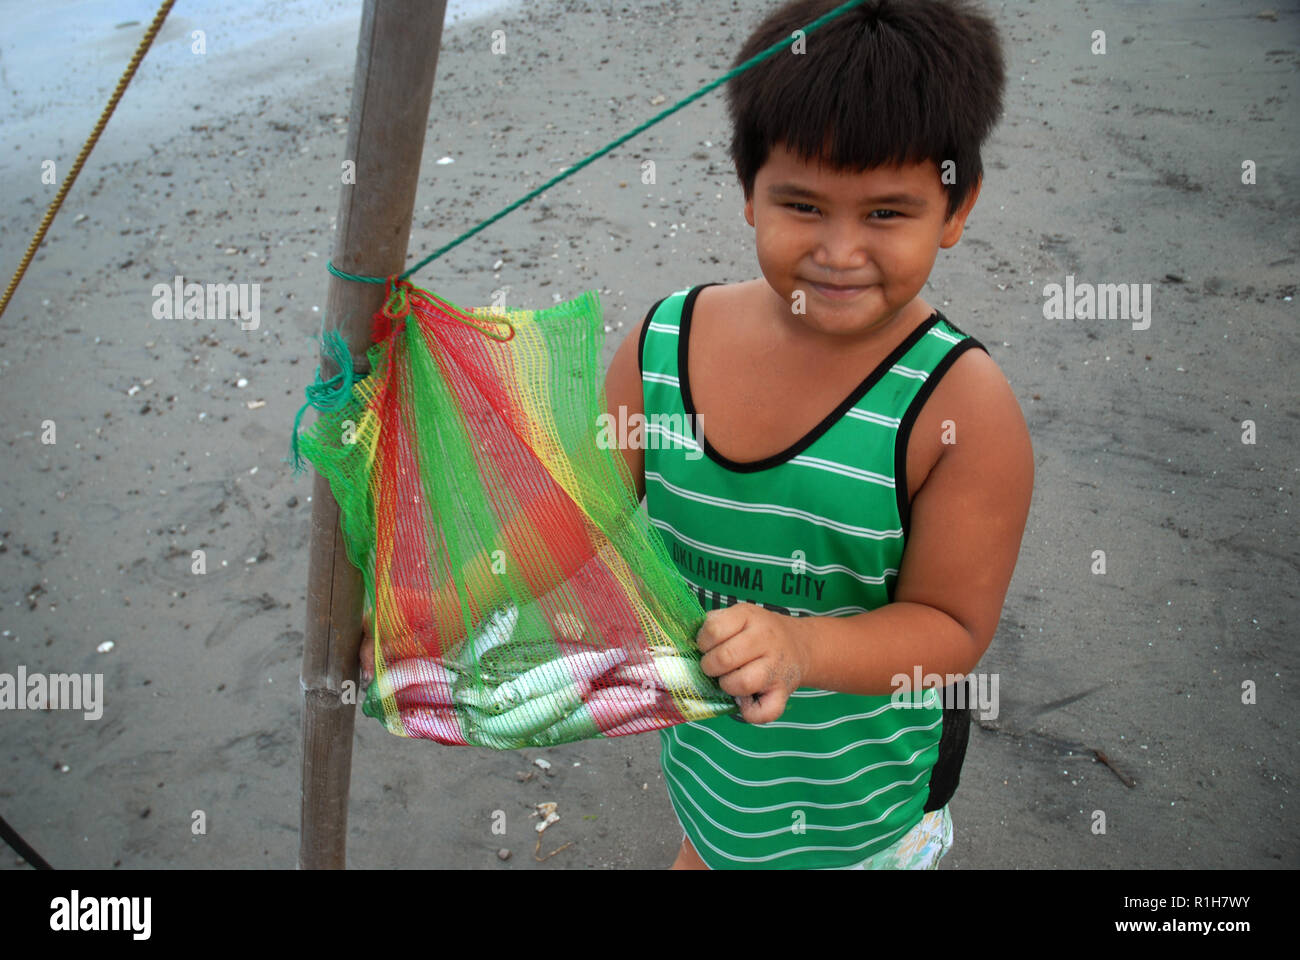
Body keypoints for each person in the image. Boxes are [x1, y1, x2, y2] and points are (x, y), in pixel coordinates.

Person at [598, 0, 1031, 868]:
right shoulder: (661, 349)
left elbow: (950, 627)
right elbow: (578, 517)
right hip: (716, 780)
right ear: (748, 190)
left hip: (858, 818)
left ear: (956, 206)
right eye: (802, 204)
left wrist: (803, 646)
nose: (840, 251)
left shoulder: (959, 410)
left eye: (885, 214)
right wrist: (442, 603)